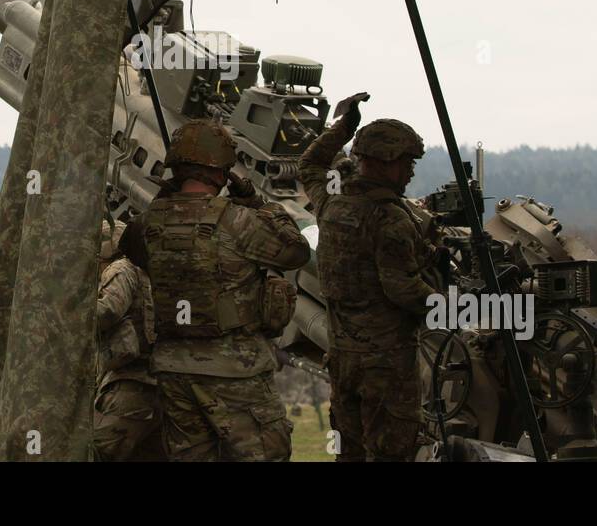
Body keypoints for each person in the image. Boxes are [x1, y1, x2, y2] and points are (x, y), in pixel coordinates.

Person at [121, 120, 310, 461]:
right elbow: (296, 251)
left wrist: (168, 196)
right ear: (223, 173)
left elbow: (133, 249)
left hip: (173, 370)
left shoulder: (149, 223)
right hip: (235, 371)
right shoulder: (238, 221)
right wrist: (256, 202)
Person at [298, 93, 435, 462]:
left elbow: (309, 164)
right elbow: (405, 290)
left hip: (344, 359)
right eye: (406, 162)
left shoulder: (332, 201)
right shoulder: (390, 220)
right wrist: (457, 305)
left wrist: (343, 127)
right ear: (384, 161)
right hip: (386, 367)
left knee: (351, 451)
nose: (410, 171)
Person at [93, 218, 164, 461]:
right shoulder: (150, 272)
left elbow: (107, 311)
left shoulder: (121, 269)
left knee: (94, 454)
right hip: (161, 387)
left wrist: (71, 310)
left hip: (131, 387)